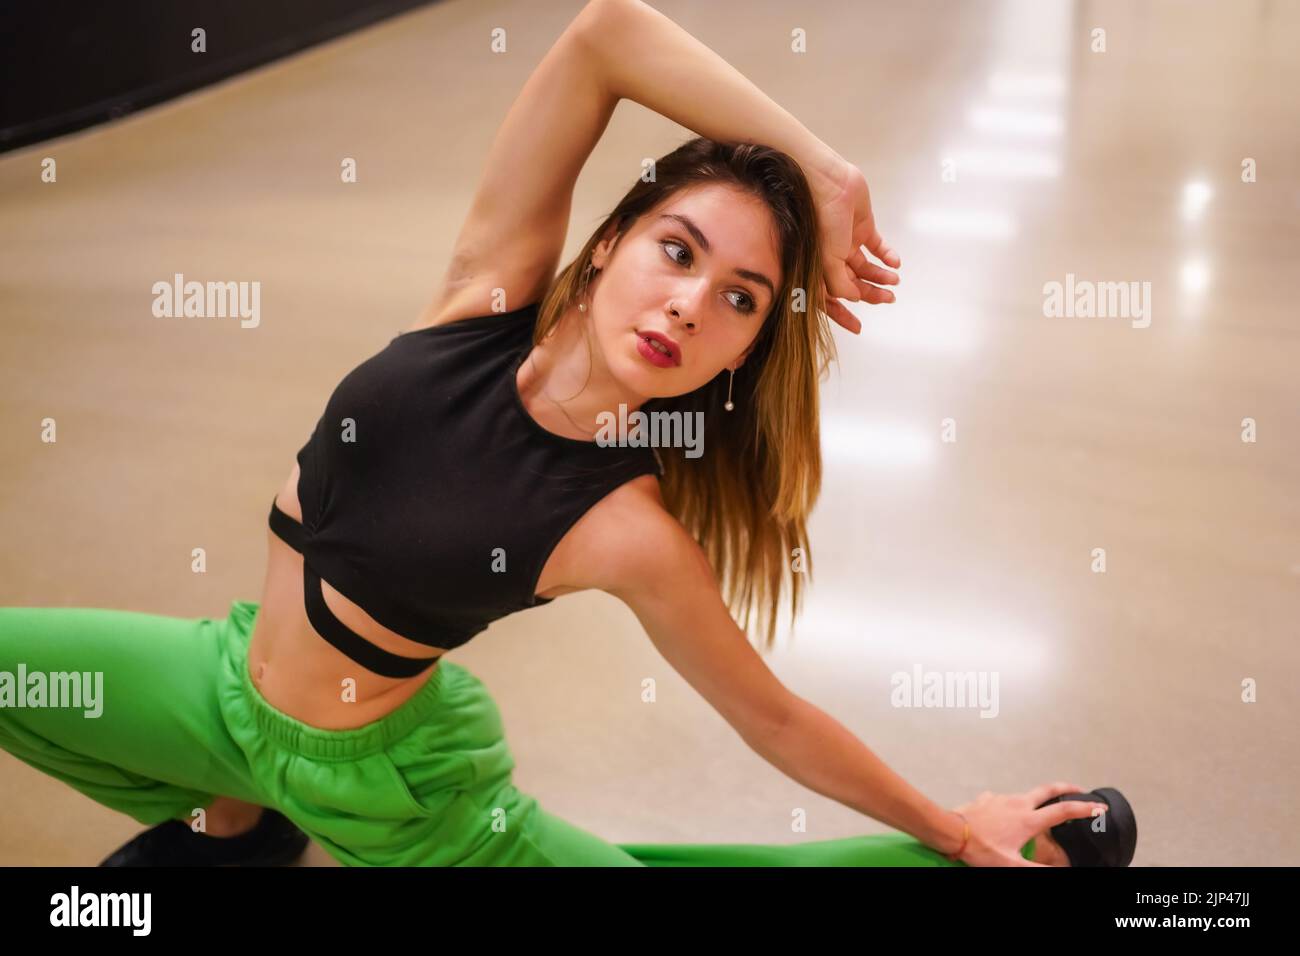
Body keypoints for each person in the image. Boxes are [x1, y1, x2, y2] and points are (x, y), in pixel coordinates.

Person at [0, 0, 1136, 868]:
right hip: (228, 688)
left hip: (393, 784)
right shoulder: (482, 295)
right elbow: (605, 34)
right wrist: (822, 172)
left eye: (741, 298)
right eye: (677, 250)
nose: (692, 302)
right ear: (606, 247)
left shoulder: (621, 527)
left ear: (738, 352)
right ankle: (245, 817)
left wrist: (947, 824)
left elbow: (773, 718)